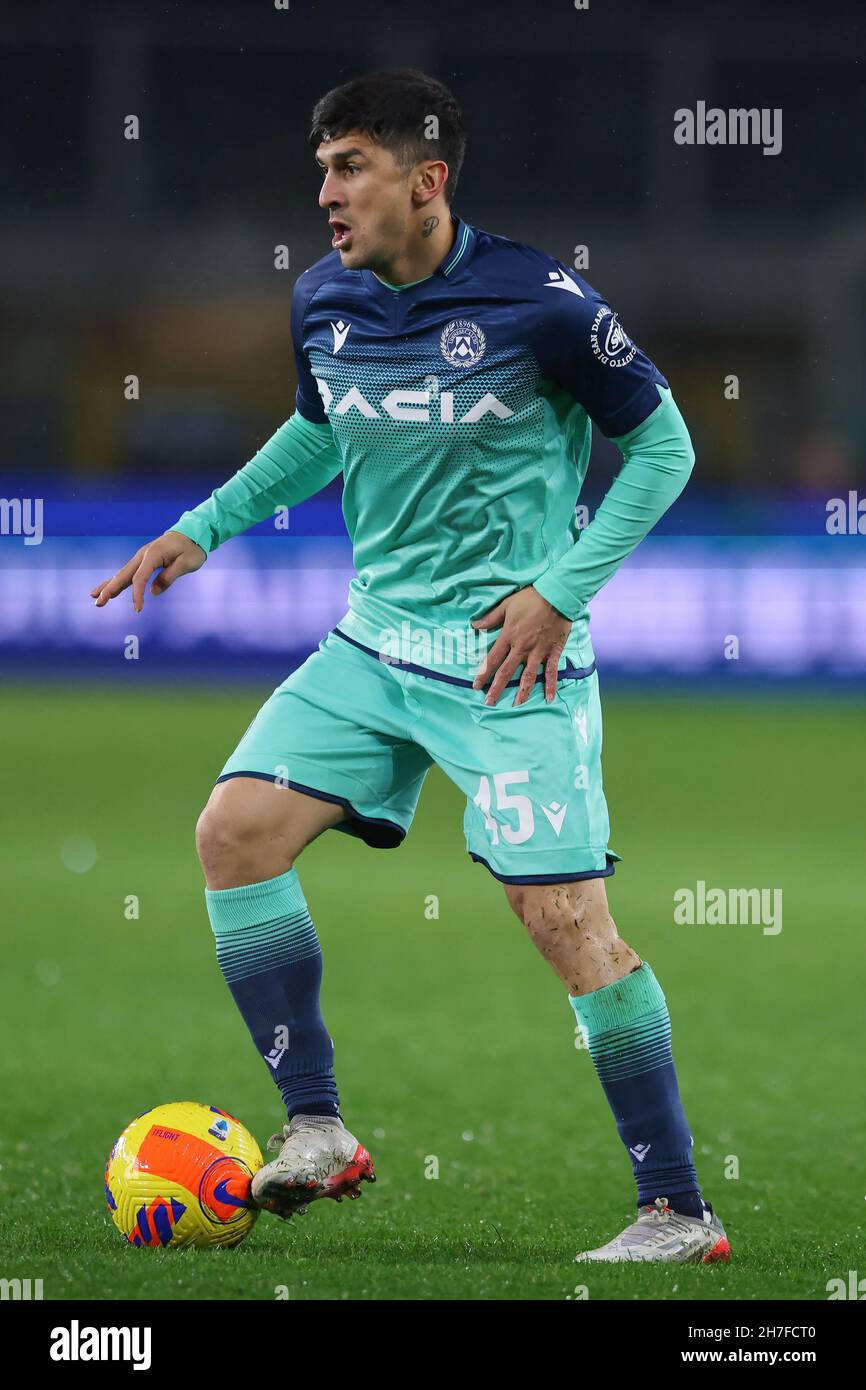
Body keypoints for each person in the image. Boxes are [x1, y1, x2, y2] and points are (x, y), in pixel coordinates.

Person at [92, 68, 729, 1264]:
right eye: (321, 168)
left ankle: (678, 1211)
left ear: (424, 181)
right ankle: (318, 1127)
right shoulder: (324, 298)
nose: (323, 193)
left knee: (565, 923)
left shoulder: (541, 302)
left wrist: (558, 592)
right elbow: (321, 426)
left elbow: (663, 447)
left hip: (505, 663)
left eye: (348, 169)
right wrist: (204, 526)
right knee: (232, 833)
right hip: (373, 645)